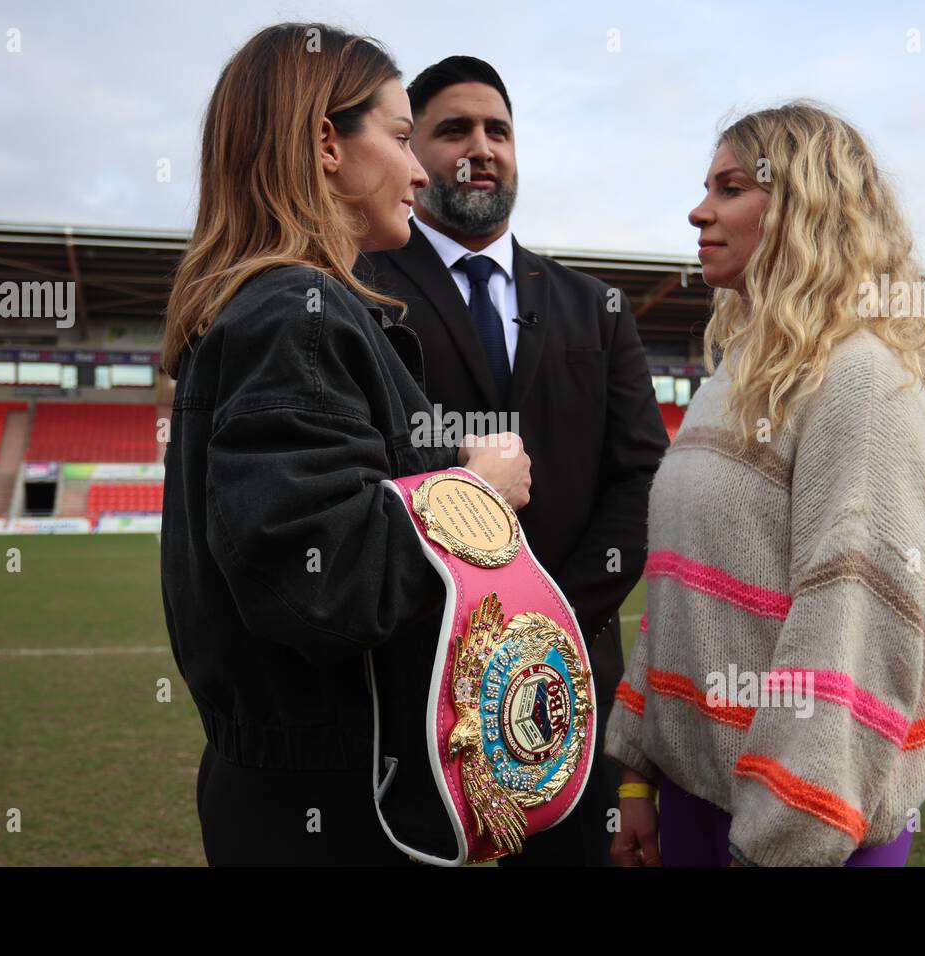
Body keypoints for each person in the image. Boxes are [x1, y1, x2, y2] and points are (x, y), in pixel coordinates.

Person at [159, 23, 531, 866]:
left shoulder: (278, 307)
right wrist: (478, 489)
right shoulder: (298, 313)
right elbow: (322, 580)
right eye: (401, 138)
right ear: (327, 143)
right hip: (337, 806)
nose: (417, 172)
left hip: (306, 788)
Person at [606, 101, 925, 867]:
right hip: (703, 807)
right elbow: (677, 594)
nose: (700, 210)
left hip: (805, 829)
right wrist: (638, 778)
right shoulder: (729, 381)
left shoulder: (864, 387)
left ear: (801, 206)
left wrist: (779, 841)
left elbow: (851, 636)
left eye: (730, 188)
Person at [356, 56, 669, 867]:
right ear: (410, 153)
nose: (482, 146)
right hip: (416, 701)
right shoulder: (352, 294)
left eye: (499, 130)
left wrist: (551, 613)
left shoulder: (595, 310)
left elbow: (642, 479)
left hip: (572, 687)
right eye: (453, 129)